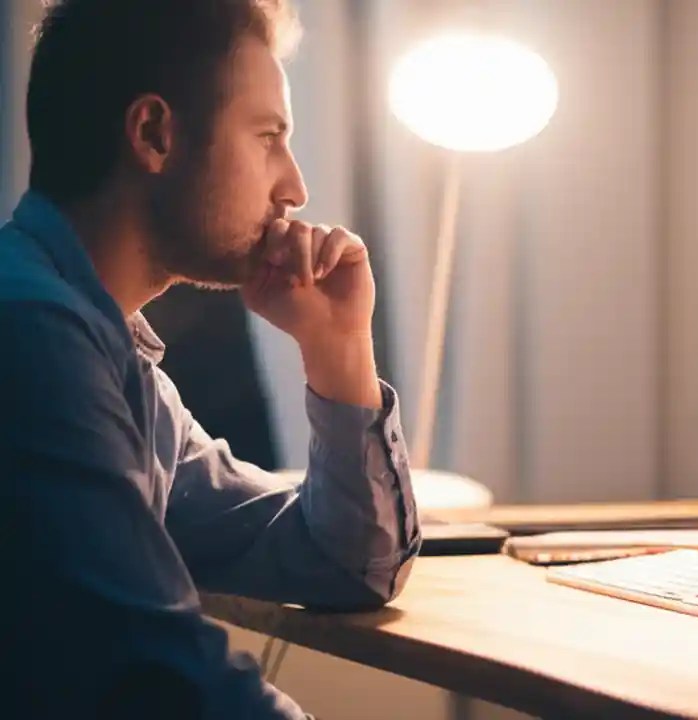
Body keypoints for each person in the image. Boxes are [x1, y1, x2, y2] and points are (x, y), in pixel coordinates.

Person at [0, 1, 421, 717]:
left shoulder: (112, 360)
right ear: (155, 134)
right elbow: (151, 670)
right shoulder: (31, 333)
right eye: (267, 138)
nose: (294, 189)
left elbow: (347, 562)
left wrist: (337, 346)